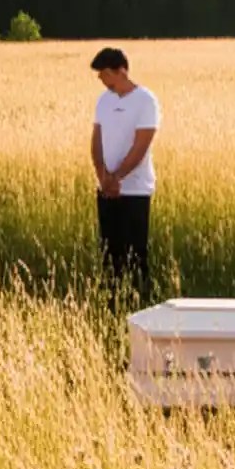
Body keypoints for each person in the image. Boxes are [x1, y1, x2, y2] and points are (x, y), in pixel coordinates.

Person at [90, 47, 161, 306]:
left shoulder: (146, 101)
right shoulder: (103, 101)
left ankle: (139, 304)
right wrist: (103, 177)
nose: (102, 80)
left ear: (121, 71)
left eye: (105, 74)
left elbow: (141, 146)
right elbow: (96, 141)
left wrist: (117, 177)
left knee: (135, 254)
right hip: (106, 190)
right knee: (110, 254)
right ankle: (112, 305)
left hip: (135, 191)